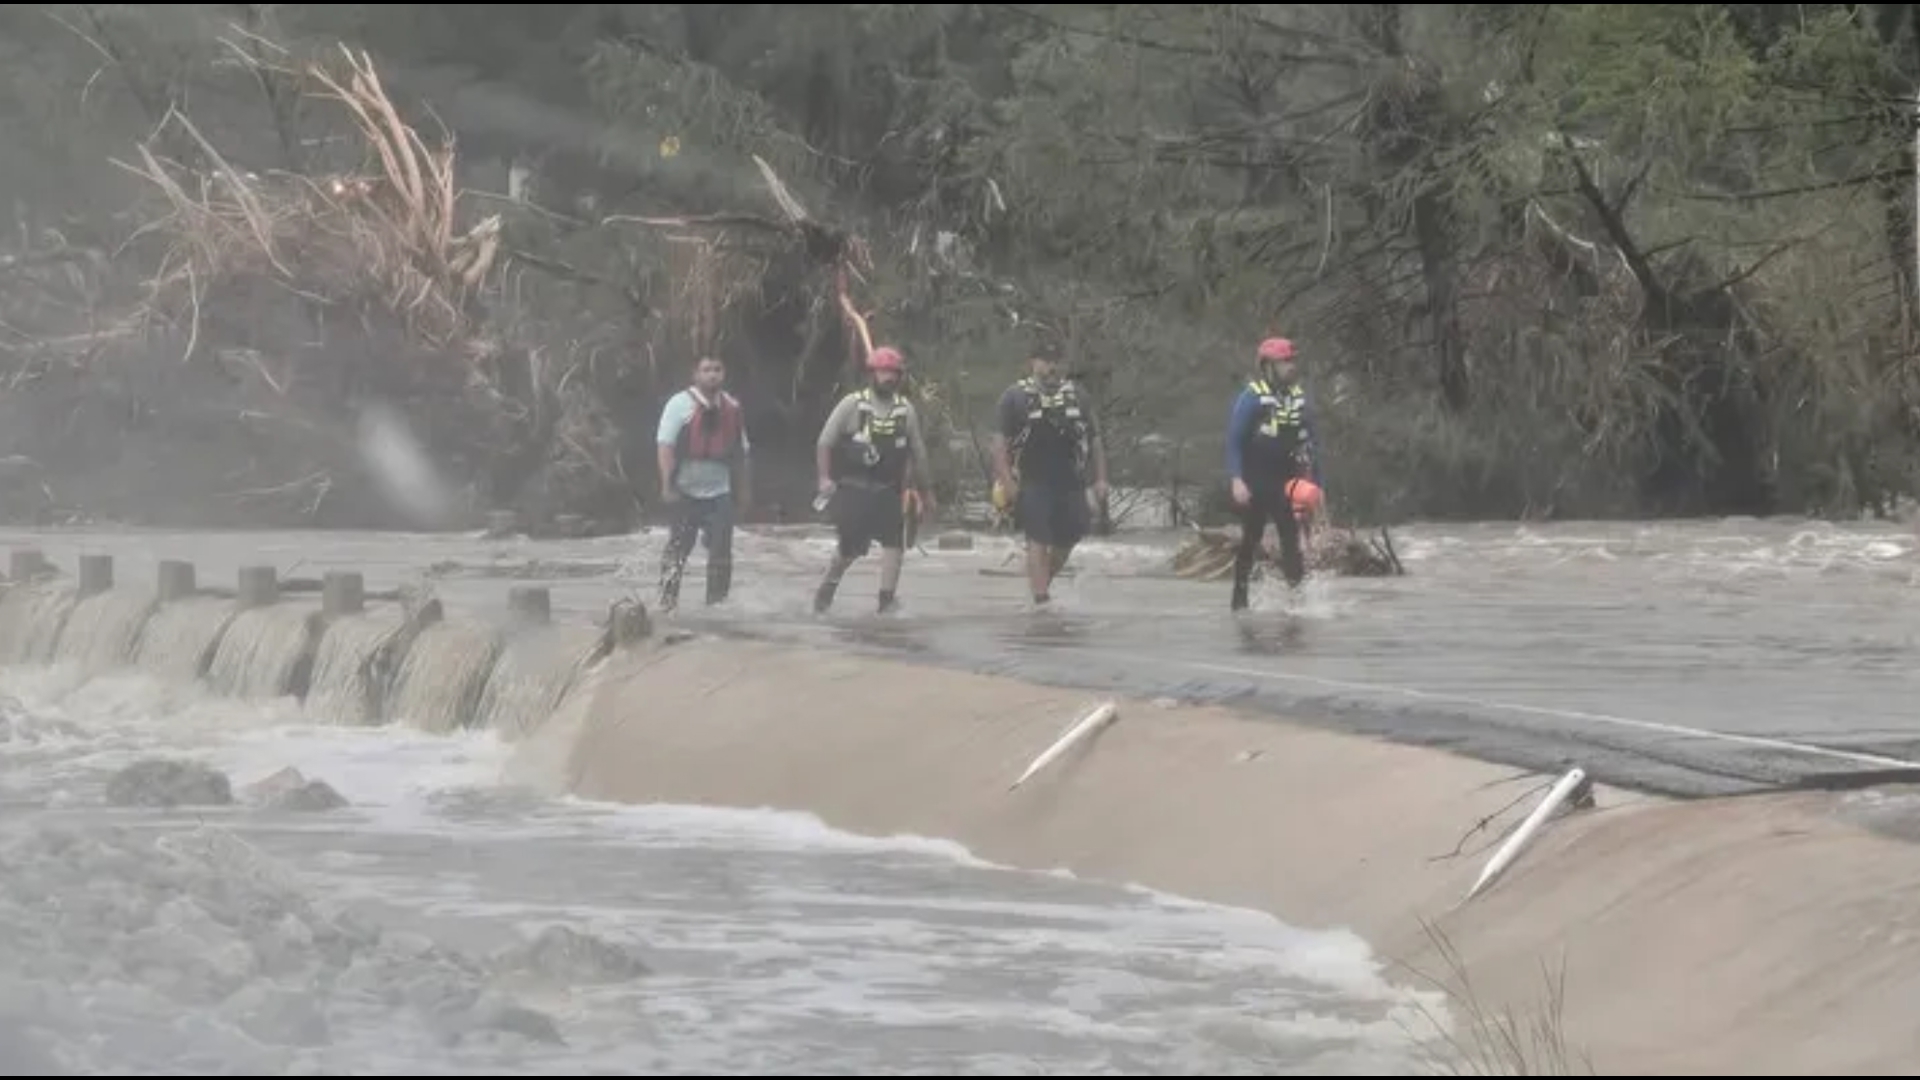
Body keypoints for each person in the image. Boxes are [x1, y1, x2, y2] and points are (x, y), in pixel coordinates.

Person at [813, 346, 935, 614]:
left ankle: (886, 599)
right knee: (850, 550)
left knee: (894, 543)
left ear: (900, 377)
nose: (888, 378)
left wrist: (926, 493)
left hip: (889, 491)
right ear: (872, 374)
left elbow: (919, 453)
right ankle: (828, 588)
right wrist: (824, 478)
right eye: (883, 372)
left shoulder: (906, 411)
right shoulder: (852, 405)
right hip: (854, 491)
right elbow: (825, 442)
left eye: (893, 373)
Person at [991, 343, 1109, 607]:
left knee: (1068, 539)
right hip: (1031, 479)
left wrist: (1100, 478)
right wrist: (1007, 481)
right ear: (1032, 363)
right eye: (1045, 361)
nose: (1051, 367)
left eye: (1056, 361)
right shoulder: (1013, 397)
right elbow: (998, 444)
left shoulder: (1079, 395)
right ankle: (1041, 601)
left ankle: (1040, 583)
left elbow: (1096, 441)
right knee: (1037, 539)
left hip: (1070, 480)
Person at [1225, 336, 1323, 611]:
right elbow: (1234, 441)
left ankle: (1297, 605)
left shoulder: (1299, 399)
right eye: (1284, 362)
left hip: (1286, 480)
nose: (1291, 366)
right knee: (1251, 538)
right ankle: (1239, 602)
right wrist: (1236, 479)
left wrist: (1318, 484)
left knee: (1291, 539)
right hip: (1255, 479)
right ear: (1268, 366)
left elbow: (1313, 444)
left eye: (1292, 361)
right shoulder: (1251, 398)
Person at [655, 355, 751, 614]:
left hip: (720, 492)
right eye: (706, 370)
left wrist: (743, 492)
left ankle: (716, 608)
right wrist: (666, 485)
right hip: (685, 490)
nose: (712, 375)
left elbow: (741, 453)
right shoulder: (679, 404)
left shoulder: (731, 406)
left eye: (717, 369)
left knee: (721, 554)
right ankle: (666, 604)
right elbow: (666, 446)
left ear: (724, 374)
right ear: (695, 374)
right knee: (678, 550)